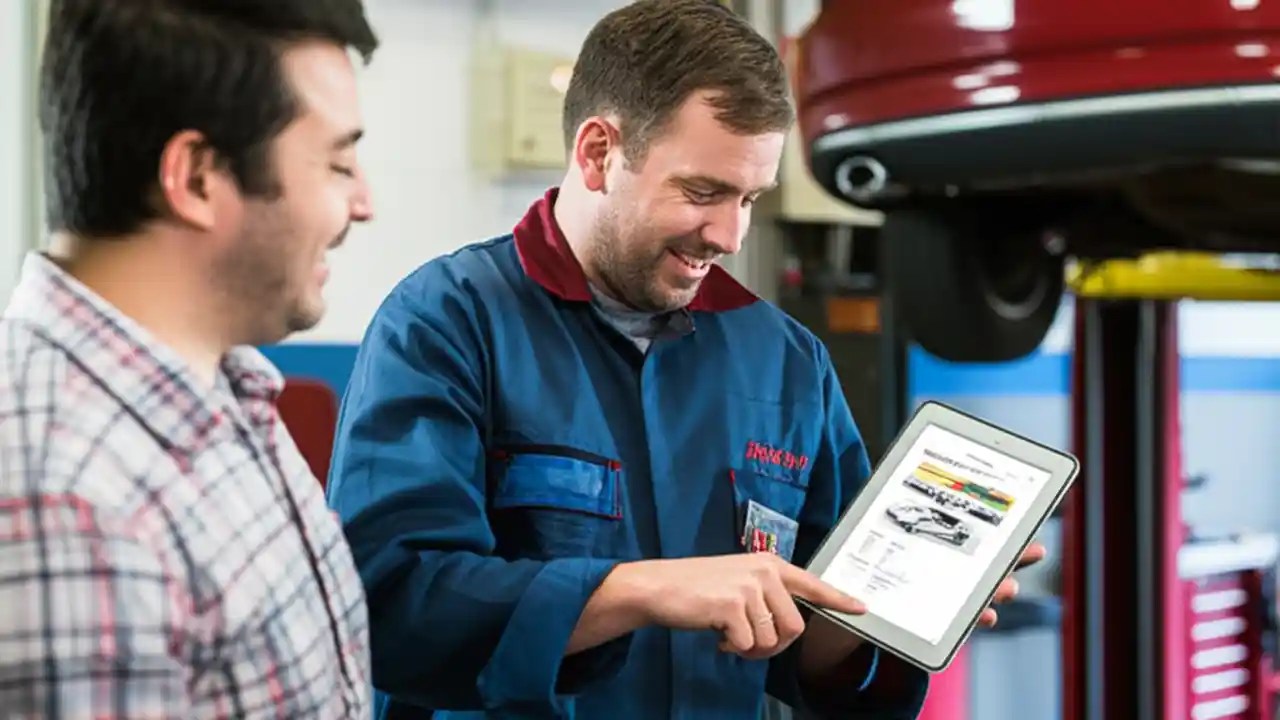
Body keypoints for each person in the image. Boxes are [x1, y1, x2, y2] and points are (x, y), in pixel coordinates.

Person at [326, 1, 1042, 718]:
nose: (730, 235)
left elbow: (802, 651)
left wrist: (895, 613)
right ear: (599, 153)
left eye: (750, 198)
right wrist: (641, 590)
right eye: (703, 193)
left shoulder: (787, 364)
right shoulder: (447, 323)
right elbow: (387, 604)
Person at [0, 1, 378, 716]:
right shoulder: (68, 505)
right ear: (199, 177)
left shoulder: (227, 393)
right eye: (337, 164)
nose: (363, 204)